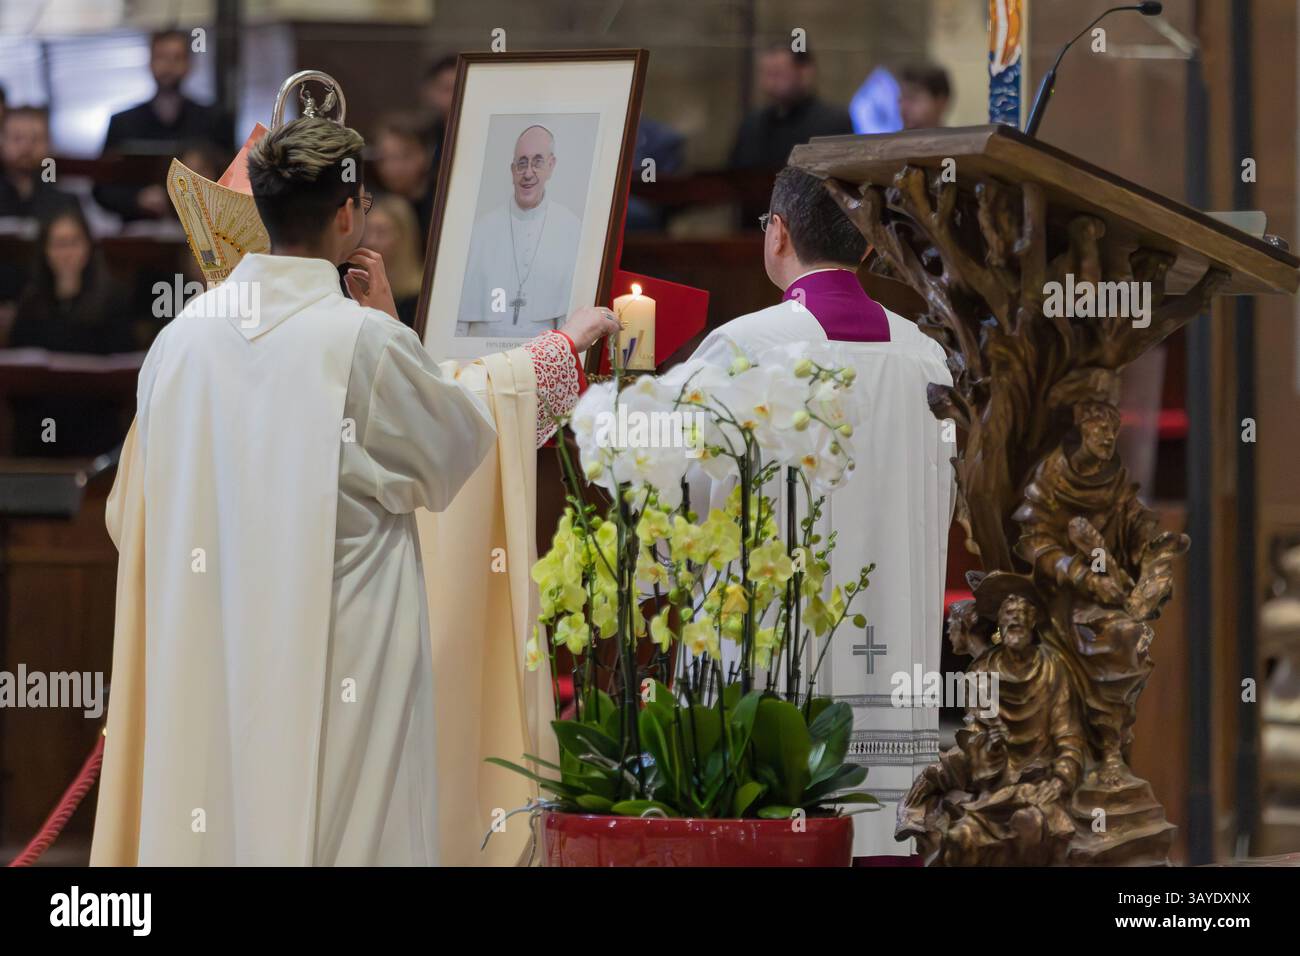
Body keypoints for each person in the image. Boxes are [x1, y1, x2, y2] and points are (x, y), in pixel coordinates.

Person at [89, 115, 619, 866]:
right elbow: (458, 445)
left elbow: (127, 514)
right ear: (347, 213)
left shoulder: (177, 342)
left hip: (209, 653)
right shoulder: (361, 343)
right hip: (344, 662)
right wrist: (556, 351)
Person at [677, 166, 955, 861]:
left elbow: (682, 495)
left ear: (777, 233)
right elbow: (944, 501)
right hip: (891, 640)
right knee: (875, 832)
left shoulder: (744, 348)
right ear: (867, 247)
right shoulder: (929, 357)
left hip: (773, 650)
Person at [5, 207, 135, 456]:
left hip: (94, 425)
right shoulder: (30, 303)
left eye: (73, 243)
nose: (66, 253)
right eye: (58, 244)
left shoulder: (112, 301)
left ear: (88, 248)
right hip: (39, 427)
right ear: (45, 251)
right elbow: (16, 378)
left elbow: (123, 377)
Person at [456, 123, 582, 338]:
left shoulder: (571, 227)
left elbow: (570, 322)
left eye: (537, 162)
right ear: (512, 170)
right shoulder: (481, 229)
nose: (528, 173)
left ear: (551, 166)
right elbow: (459, 322)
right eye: (522, 164)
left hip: (543, 357)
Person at [95, 29, 232, 222]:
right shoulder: (122, 123)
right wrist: (136, 199)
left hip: (205, 228)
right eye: (161, 57)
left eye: (177, 58)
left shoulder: (215, 120)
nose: (168, 66)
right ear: (150, 62)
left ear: (189, 64)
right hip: (138, 234)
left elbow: (231, 184)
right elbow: (102, 188)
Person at [730, 44, 852, 173]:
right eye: (766, 74)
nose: (769, 84)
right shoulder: (752, 124)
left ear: (805, 72)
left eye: (777, 74)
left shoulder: (834, 122)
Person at [0, 106, 80, 220]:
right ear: (2, 142)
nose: (26, 147)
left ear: (49, 145)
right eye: (17, 138)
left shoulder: (63, 202)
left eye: (36, 139)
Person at [362, 194, 425, 328]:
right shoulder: (356, 290)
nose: (370, 241)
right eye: (367, 232)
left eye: (381, 232)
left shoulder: (420, 300)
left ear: (403, 237)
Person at [373, 111, 436, 244]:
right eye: (385, 158)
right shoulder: (373, 204)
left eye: (403, 156)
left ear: (426, 154)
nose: (392, 168)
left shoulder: (439, 205)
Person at [897, 62, 951, 131]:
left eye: (912, 98)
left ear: (940, 102)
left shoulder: (958, 141)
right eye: (901, 99)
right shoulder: (889, 141)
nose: (903, 107)